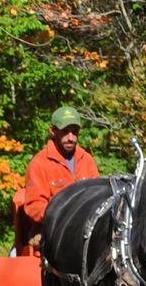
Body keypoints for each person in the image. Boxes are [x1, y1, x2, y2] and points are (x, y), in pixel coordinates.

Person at [22, 106, 99, 248]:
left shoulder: (86, 160)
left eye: (75, 132)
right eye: (65, 132)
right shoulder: (39, 163)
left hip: (87, 230)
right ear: (53, 131)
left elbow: (98, 197)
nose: (71, 138)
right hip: (53, 231)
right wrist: (65, 215)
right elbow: (34, 207)